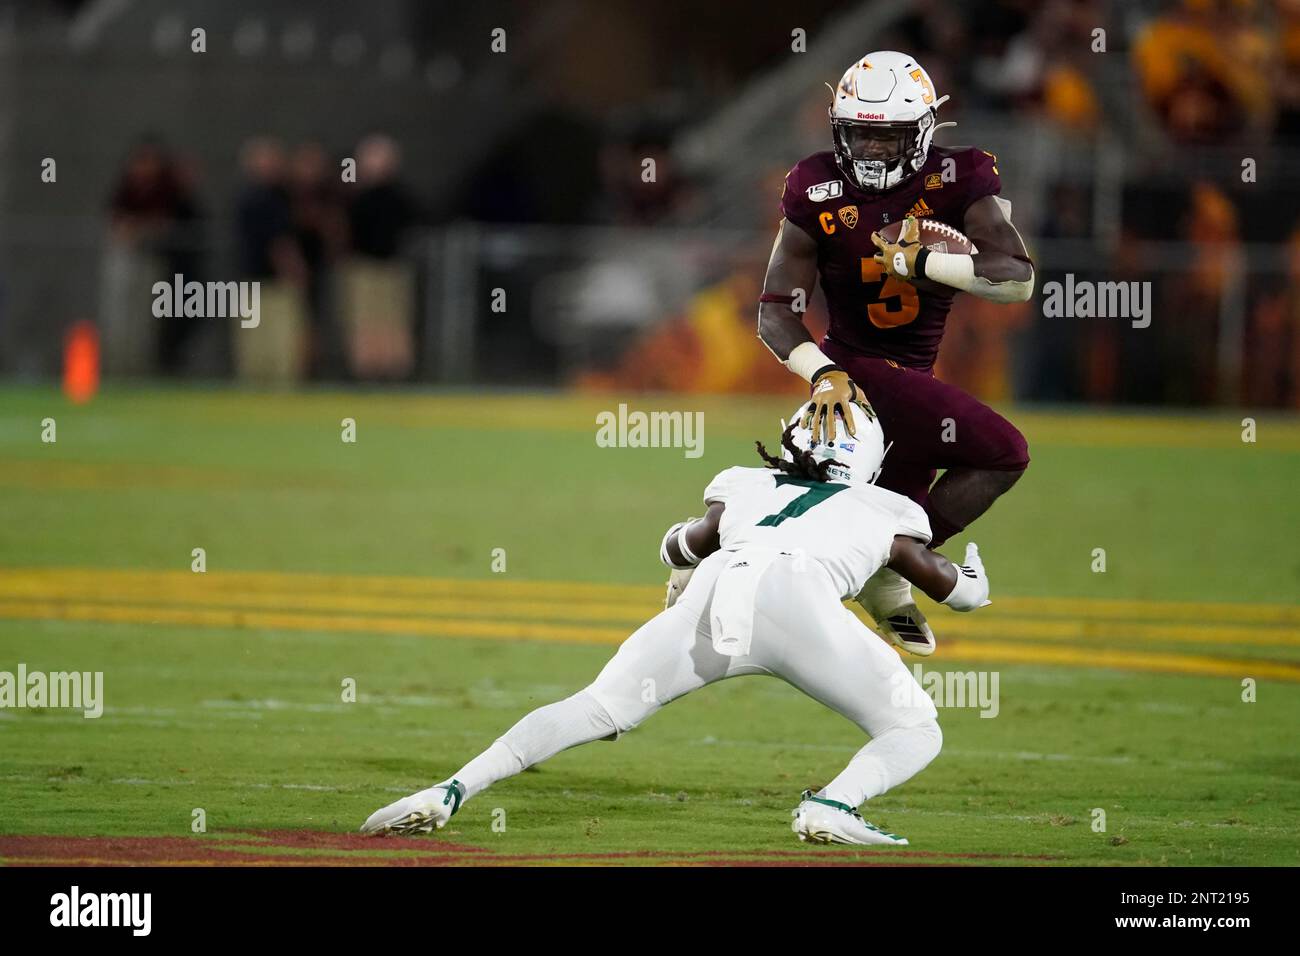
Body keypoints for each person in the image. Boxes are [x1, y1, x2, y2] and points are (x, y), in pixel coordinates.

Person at [362, 400, 992, 847]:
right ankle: (831, 804)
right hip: (799, 598)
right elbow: (950, 591)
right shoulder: (883, 505)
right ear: (866, 457)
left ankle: (451, 790)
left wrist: (680, 562)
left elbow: (680, 546)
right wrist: (974, 582)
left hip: (721, 587)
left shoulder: (747, 484)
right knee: (913, 728)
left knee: (597, 706)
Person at [757, 51, 1034, 656]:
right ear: (839, 128)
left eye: (890, 138)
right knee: (1004, 453)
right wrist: (825, 375)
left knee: (885, 507)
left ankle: (881, 566)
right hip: (853, 373)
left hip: (910, 376)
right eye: (861, 135)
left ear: (925, 130)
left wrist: (926, 261)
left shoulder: (959, 176)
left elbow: (1016, 277)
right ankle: (895, 563)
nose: (874, 151)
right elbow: (775, 310)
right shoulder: (814, 184)